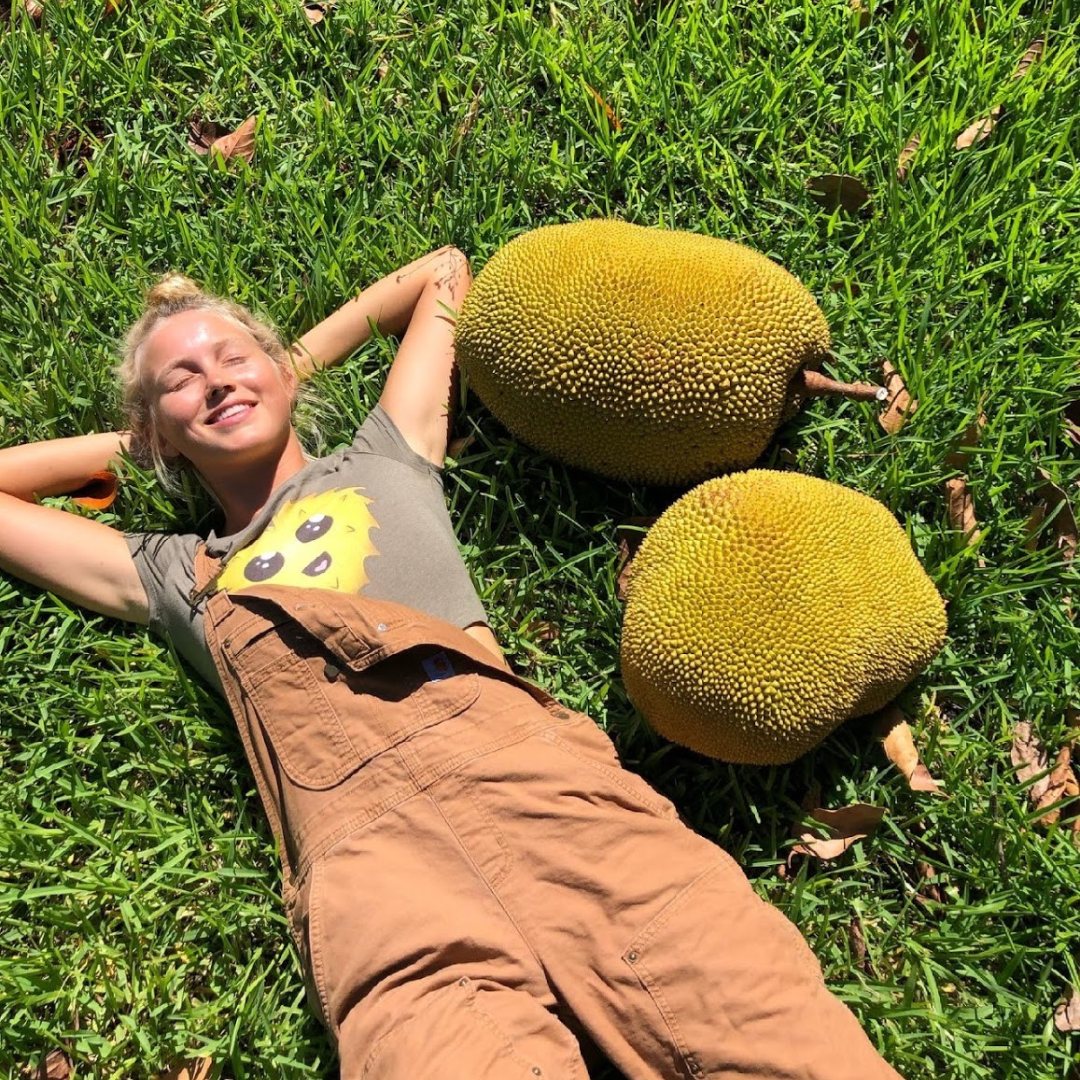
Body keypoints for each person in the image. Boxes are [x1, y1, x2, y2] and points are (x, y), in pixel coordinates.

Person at [0, 245, 904, 1080]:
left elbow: (441, 274)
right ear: (155, 431)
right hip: (380, 879)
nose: (214, 380)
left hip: (545, 791)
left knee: (767, 1029)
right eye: (181, 380)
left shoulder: (386, 455)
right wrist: (144, 448)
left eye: (233, 355)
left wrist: (275, 372)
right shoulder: (174, 576)